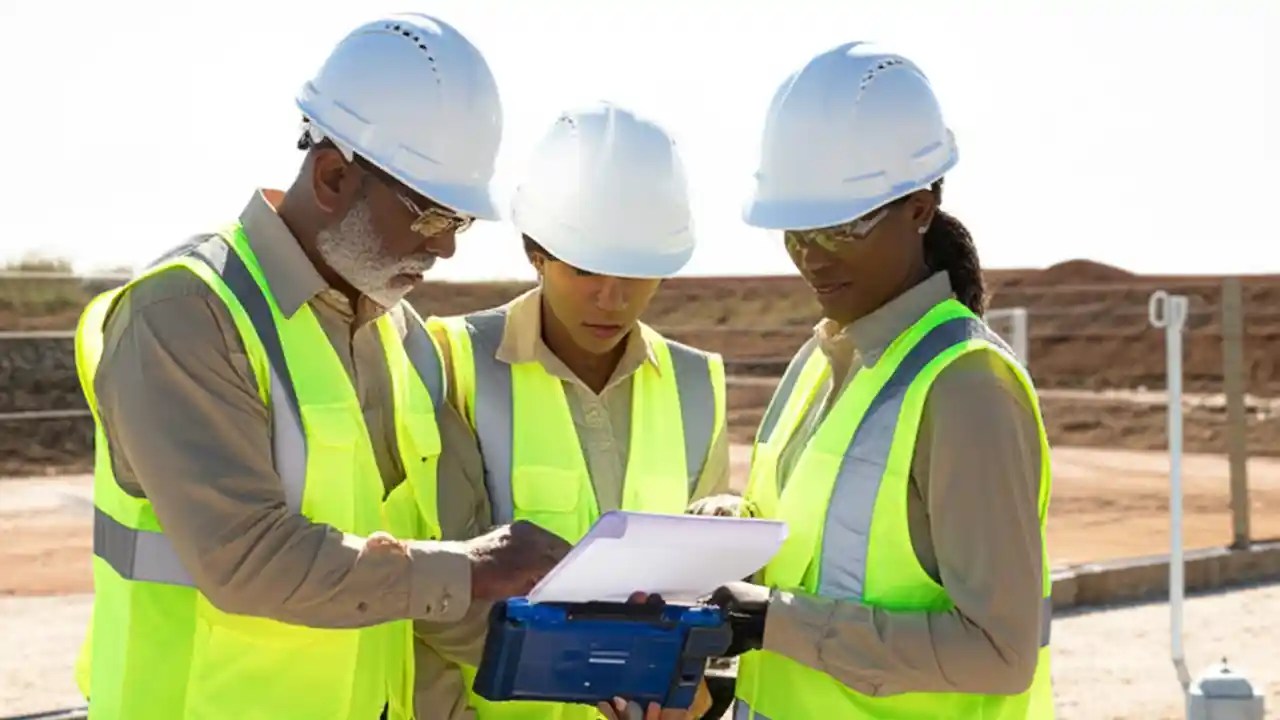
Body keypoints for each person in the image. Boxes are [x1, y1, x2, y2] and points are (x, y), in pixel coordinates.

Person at [70, 13, 569, 720]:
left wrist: (575, 668)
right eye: (429, 218)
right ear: (334, 176)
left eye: (459, 224)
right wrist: (471, 568)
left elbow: (423, 589)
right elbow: (246, 559)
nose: (447, 252)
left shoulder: (402, 340)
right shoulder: (185, 313)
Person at [706, 42, 1056, 719]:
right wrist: (723, 532)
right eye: (794, 231)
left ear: (919, 207)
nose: (810, 257)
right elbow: (811, 546)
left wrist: (774, 622)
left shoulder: (968, 390)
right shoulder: (821, 359)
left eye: (839, 228)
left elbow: (1000, 651)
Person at [413, 101, 731, 720]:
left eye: (635, 273)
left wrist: (696, 697)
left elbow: (706, 595)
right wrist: (597, 671)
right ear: (537, 251)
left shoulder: (698, 385)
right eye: (585, 268)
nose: (611, 299)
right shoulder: (452, 361)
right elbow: (435, 596)